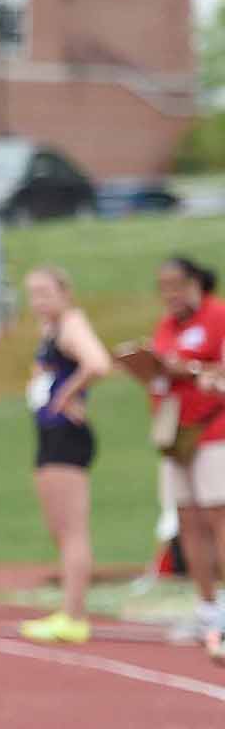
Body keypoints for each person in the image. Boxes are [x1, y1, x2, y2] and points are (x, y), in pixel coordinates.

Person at [16, 266, 111, 644]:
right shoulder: (50, 330)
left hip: (67, 436)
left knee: (72, 530)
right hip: (49, 434)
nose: (38, 301)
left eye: (45, 292)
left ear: (65, 292)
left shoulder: (72, 324)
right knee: (60, 528)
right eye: (32, 293)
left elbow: (99, 363)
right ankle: (68, 610)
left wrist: (67, 395)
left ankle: (74, 615)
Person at [149, 255, 225, 661]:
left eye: (176, 284)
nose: (170, 294)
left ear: (196, 281)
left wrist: (193, 371)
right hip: (175, 434)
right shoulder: (165, 326)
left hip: (215, 430)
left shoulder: (218, 316)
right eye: (163, 286)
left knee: (219, 518)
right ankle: (207, 608)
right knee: (188, 521)